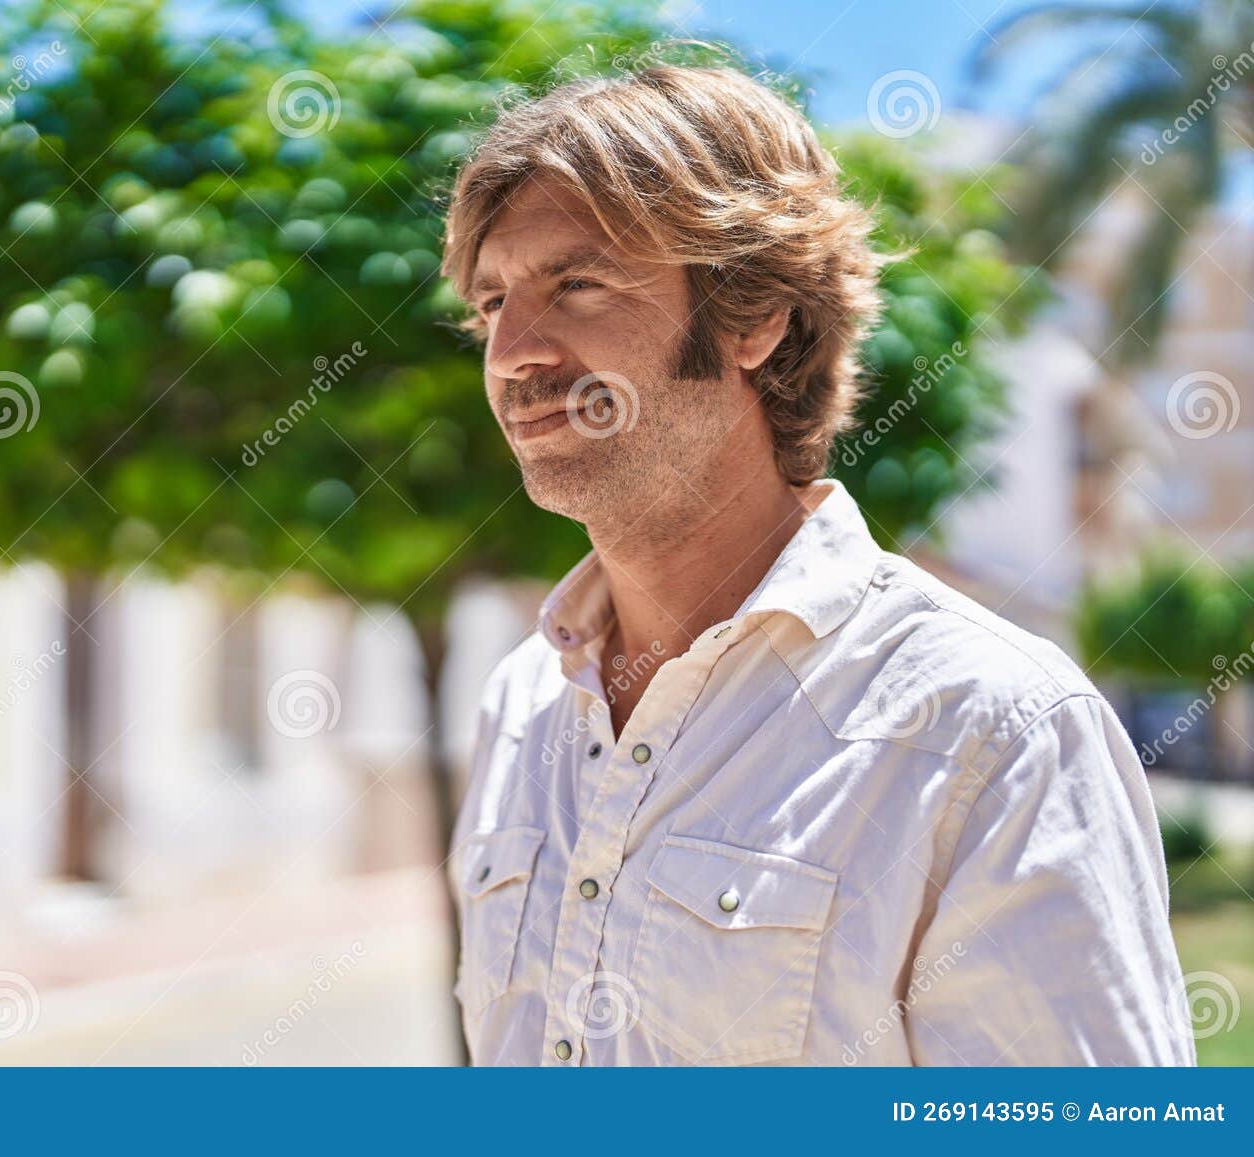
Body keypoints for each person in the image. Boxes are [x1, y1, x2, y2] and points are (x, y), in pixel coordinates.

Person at [438, 63, 1196, 1066]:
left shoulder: (990, 727)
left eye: (578, 283)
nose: (513, 352)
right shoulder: (520, 704)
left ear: (757, 317)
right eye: (493, 303)